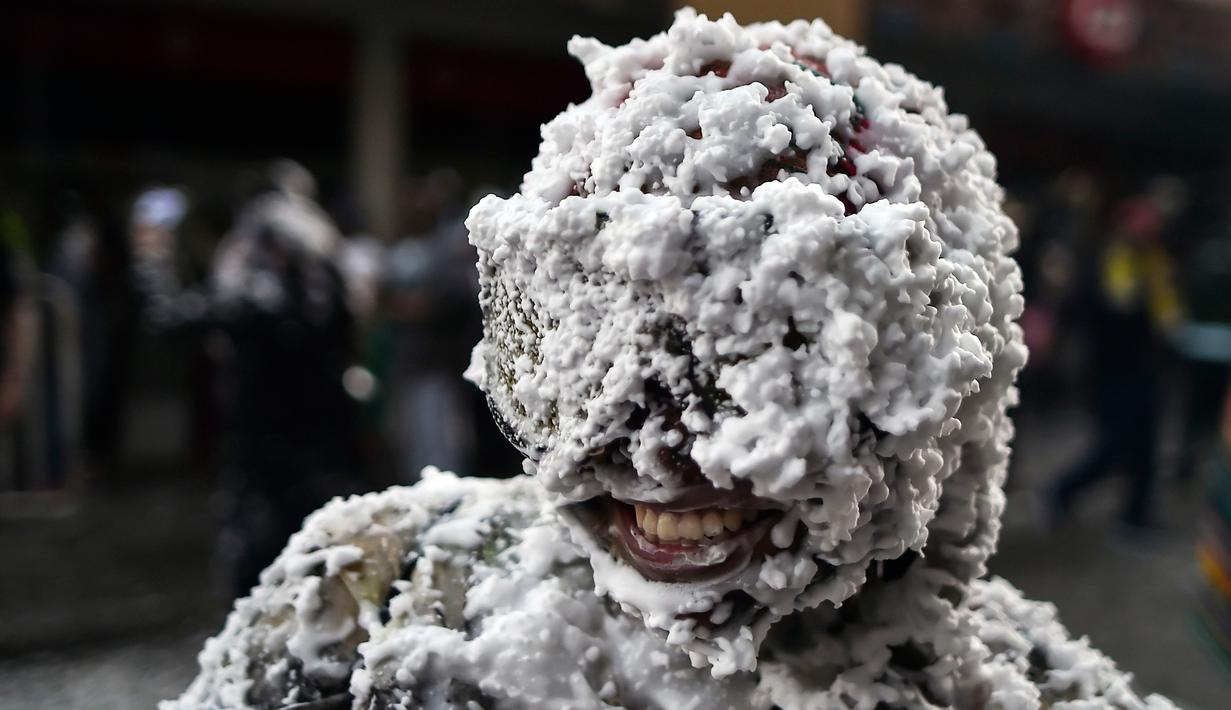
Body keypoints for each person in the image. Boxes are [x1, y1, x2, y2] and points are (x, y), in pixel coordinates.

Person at [164, 12, 1174, 709]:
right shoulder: (367, 606)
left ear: (950, 382)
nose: (653, 451)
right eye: (583, 349)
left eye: (779, 358)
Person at [131, 166, 359, 597]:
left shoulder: (260, 296)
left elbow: (167, 316)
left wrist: (151, 251)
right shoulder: (325, 278)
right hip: (320, 460)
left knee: (265, 581)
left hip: (265, 465)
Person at [1048, 187, 1182, 531]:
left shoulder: (1154, 259)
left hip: (1145, 366)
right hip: (1112, 368)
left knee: (1145, 447)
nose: (1151, 223)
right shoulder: (1108, 258)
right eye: (1143, 216)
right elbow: (1096, 309)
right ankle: (1061, 492)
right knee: (1113, 445)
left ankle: (1135, 516)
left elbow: (1165, 310)